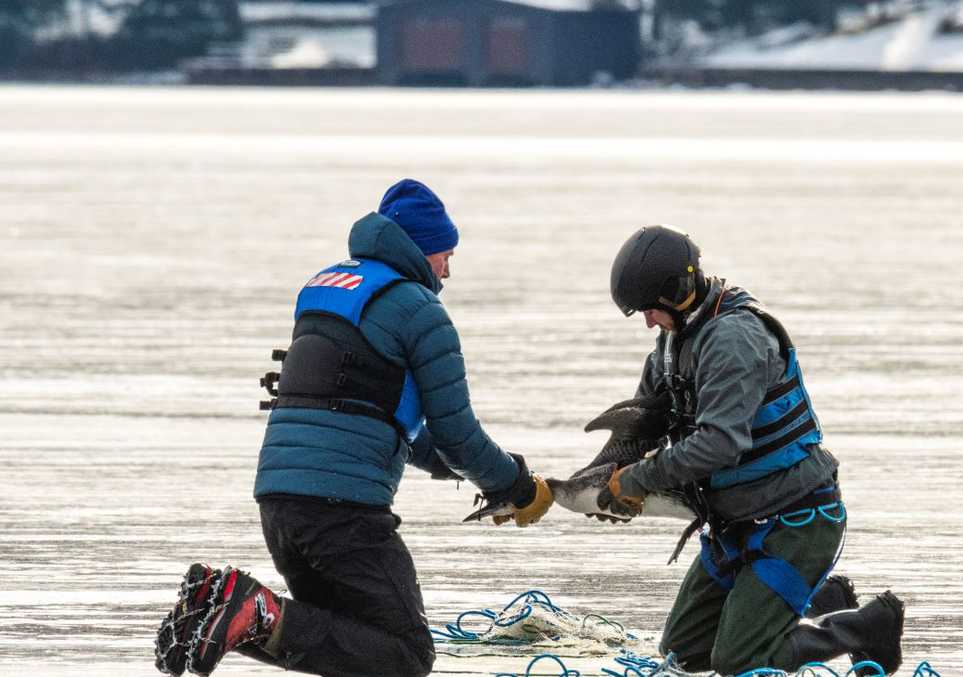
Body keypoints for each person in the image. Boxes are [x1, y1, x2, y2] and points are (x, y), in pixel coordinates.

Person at [153, 179, 553, 677]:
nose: (447, 271)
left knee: (343, 642)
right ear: (420, 249)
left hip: (280, 504)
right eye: (445, 256)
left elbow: (377, 415)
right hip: (342, 512)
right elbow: (456, 435)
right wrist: (516, 485)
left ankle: (215, 606)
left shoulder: (325, 289)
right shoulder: (420, 310)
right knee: (405, 655)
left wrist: (466, 472)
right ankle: (250, 608)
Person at [597, 225, 905, 675]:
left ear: (678, 291)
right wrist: (597, 485)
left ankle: (869, 626)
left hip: (796, 521)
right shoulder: (671, 343)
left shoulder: (734, 339)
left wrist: (638, 480)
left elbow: (720, 445)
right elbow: (639, 429)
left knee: (741, 661)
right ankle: (826, 599)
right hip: (734, 526)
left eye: (649, 309)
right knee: (684, 653)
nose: (646, 322)